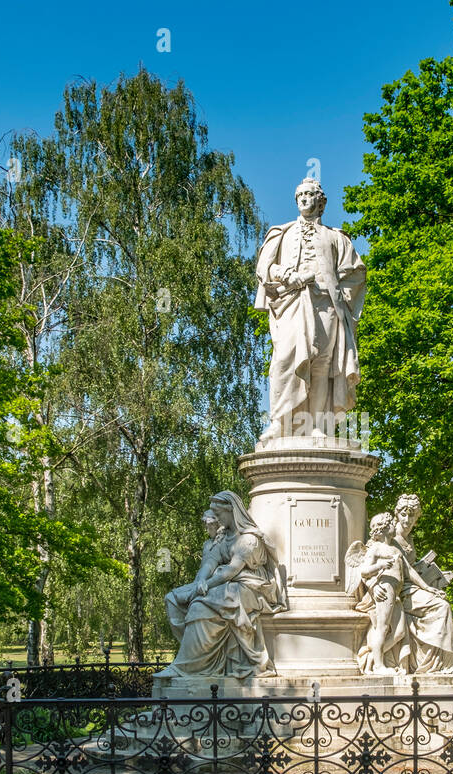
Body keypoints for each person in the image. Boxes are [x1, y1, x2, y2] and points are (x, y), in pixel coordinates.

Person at [253, 178, 366, 443]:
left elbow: (356, 272)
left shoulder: (336, 237)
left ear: (321, 202)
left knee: (323, 363)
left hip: (326, 305)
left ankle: (318, 426)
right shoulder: (282, 232)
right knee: (284, 360)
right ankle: (279, 423)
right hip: (291, 303)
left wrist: (337, 291)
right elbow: (264, 267)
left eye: (309, 195)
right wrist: (284, 274)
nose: (304, 199)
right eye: (300, 195)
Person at [155, 491, 287, 679]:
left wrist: (205, 586)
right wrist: (199, 581)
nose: (215, 519)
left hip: (253, 587)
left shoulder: (249, 539)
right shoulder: (223, 536)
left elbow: (231, 570)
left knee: (200, 606)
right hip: (230, 584)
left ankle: (186, 667)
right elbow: (210, 562)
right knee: (173, 599)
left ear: (231, 511)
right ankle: (199, 657)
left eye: (218, 514)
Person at [346, 513, 437, 674]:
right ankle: (380, 666)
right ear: (384, 528)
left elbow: (409, 571)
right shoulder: (376, 548)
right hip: (385, 589)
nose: (396, 526)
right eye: (392, 524)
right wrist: (380, 565)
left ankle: (373, 657)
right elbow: (365, 571)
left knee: (400, 632)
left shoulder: (395, 548)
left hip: (395, 592)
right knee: (382, 627)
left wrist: (427, 587)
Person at [391, 494, 453, 674]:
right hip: (401, 591)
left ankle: (441, 662)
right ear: (397, 514)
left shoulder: (409, 538)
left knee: (441, 602)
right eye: (403, 514)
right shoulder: (392, 537)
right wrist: (427, 587)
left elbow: (411, 567)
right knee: (442, 607)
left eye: (412, 515)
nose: (407, 519)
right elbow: (405, 569)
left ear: (417, 517)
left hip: (413, 587)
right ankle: (445, 664)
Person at [164, 509, 227, 637]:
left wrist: (204, 582)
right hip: (200, 581)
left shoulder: (225, 541)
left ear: (217, 525)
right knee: (169, 598)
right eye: (206, 526)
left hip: (213, 585)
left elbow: (220, 567)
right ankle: (187, 639)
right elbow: (208, 564)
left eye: (209, 526)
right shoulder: (207, 544)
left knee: (179, 601)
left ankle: (190, 639)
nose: (207, 529)